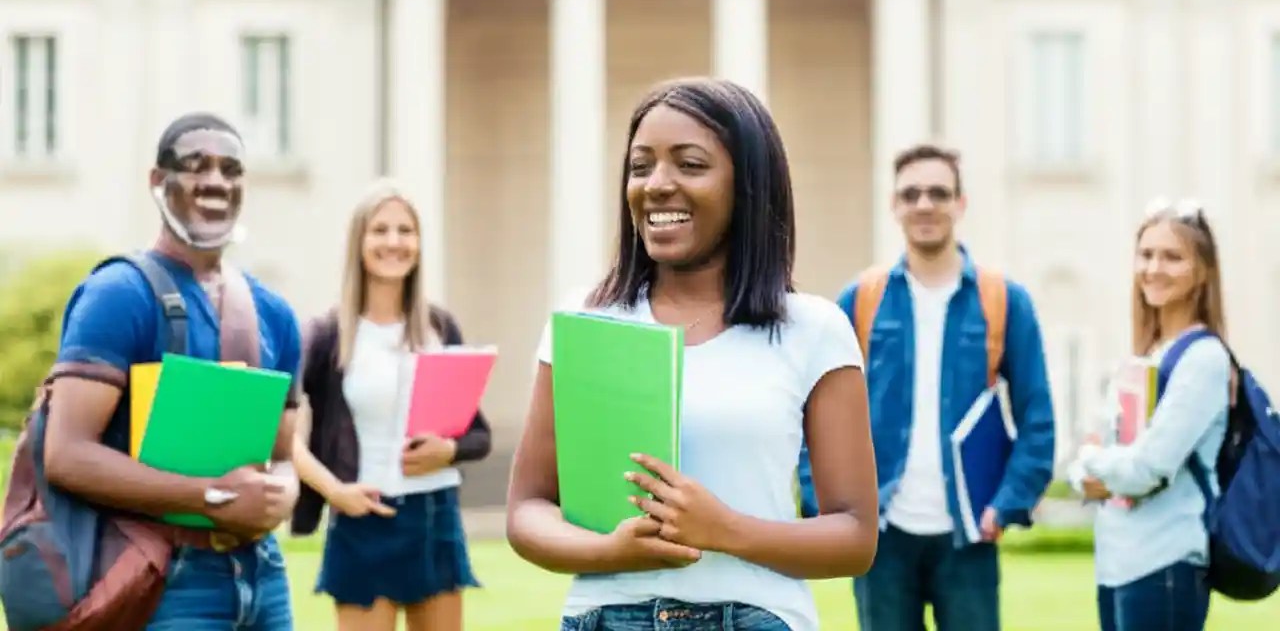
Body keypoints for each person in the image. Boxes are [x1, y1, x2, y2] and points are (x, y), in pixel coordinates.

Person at [506, 77, 879, 631]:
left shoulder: (812, 329)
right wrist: (613, 551)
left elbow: (854, 536)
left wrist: (725, 529)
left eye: (690, 164)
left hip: (754, 617)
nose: (657, 184)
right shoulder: (585, 321)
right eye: (641, 166)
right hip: (606, 617)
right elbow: (527, 510)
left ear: (747, 184)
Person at [42, 112, 302, 630]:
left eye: (231, 170)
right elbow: (66, 454)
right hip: (161, 574)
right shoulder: (119, 295)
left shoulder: (274, 313)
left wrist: (284, 493)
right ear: (157, 182)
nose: (215, 182)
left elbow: (282, 457)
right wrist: (212, 496)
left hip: (263, 575)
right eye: (195, 165)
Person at [797, 144, 1056, 631]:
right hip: (882, 534)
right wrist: (824, 504)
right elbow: (813, 416)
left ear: (961, 204)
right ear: (894, 205)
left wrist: (1007, 503)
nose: (924, 204)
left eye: (938, 193)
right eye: (910, 194)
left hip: (969, 533)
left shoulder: (1002, 299)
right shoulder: (863, 299)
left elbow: (1037, 417)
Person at [290, 179, 489, 631]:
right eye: (380, 230)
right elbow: (286, 439)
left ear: (419, 243)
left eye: (405, 230)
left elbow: (479, 434)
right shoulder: (327, 334)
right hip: (364, 519)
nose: (394, 242)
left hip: (435, 518)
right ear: (359, 241)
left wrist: (448, 451)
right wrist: (334, 491)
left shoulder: (439, 327)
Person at [1068, 198, 1229, 631]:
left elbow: (1147, 468)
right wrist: (1091, 467)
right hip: (1117, 564)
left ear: (1202, 271)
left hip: (1166, 566)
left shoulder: (1205, 360)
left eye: (1172, 257)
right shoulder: (1143, 356)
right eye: (1146, 254)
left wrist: (1092, 466)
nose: (1154, 268)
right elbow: (1090, 453)